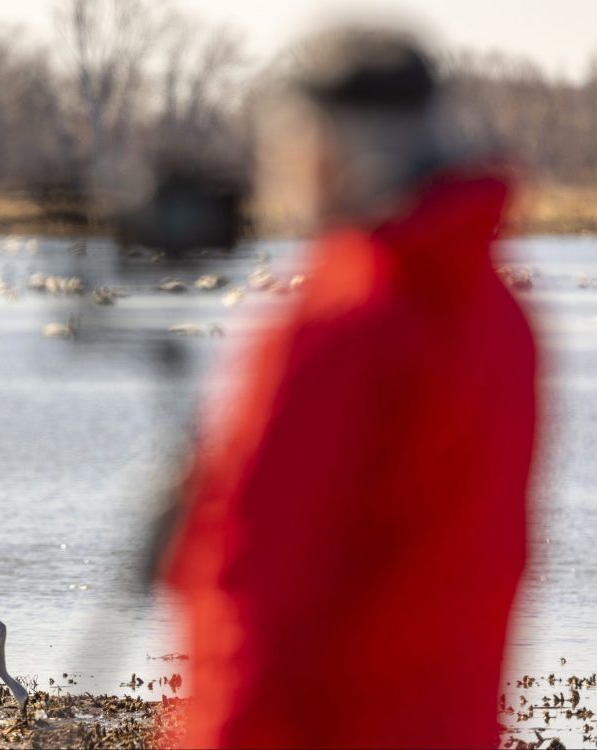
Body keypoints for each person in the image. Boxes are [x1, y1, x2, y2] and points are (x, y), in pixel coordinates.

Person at [161, 27, 538, 749]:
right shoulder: (499, 313)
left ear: (328, 152)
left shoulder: (340, 318)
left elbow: (253, 594)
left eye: (285, 147)